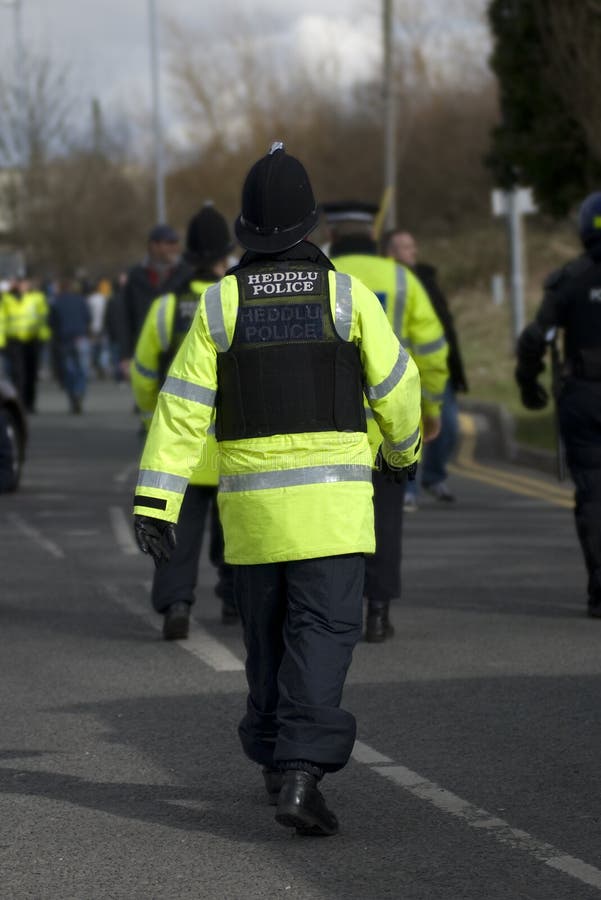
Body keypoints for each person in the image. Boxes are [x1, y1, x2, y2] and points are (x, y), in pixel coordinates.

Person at [132, 142, 422, 835]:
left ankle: (271, 759)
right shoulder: (347, 295)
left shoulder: (220, 304)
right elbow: (396, 386)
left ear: (246, 228)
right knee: (320, 635)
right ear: (312, 224)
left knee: (264, 640)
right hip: (333, 515)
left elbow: (180, 407)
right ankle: (300, 772)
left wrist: (155, 500)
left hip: (254, 517)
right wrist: (402, 452)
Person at [323, 202, 448, 642]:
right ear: (373, 238)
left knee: (333, 523)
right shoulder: (401, 279)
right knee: (387, 518)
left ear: (333, 236)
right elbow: (432, 351)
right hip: (389, 422)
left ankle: (334, 612)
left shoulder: (320, 278)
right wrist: (429, 408)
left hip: (330, 424)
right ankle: (378, 613)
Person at [131, 204, 237, 638]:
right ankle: (235, 602)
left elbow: (141, 371)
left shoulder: (166, 307)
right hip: (235, 447)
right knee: (235, 533)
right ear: (223, 256)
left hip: (183, 450)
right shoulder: (234, 305)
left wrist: (151, 417)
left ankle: (177, 603)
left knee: (178, 530)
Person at [516, 190, 601, 619]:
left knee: (592, 493)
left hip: (585, 397)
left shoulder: (569, 280)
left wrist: (528, 384)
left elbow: (537, 337)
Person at [384, 228, 469, 507]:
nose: (414, 252)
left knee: (450, 429)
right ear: (391, 252)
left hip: (435, 371)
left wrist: (455, 371)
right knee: (408, 433)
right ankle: (408, 488)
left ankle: (433, 477)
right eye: (406, 247)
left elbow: (445, 331)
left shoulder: (427, 280)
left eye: (413, 246)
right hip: (403, 372)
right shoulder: (390, 282)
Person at [116, 224, 190, 379]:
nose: (174, 247)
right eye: (169, 243)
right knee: (145, 398)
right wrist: (125, 355)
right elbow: (124, 317)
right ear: (154, 245)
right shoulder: (135, 276)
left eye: (175, 243)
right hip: (144, 350)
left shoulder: (186, 273)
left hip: (177, 351)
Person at [2, 277, 51, 412]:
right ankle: (20, 403)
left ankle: (30, 403)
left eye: (25, 283)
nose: (23, 286)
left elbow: (43, 317)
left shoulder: (37, 298)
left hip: (32, 340)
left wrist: (43, 335)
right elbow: (1, 319)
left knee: (31, 373)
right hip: (14, 340)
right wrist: (1, 340)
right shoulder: (7, 299)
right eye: (20, 284)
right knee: (18, 374)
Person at [48, 277, 92, 414]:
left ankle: (72, 394)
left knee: (69, 369)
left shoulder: (56, 302)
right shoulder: (81, 300)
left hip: (64, 339)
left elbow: (51, 322)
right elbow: (88, 317)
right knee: (82, 369)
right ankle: (79, 392)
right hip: (80, 337)